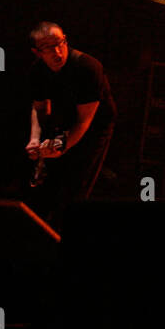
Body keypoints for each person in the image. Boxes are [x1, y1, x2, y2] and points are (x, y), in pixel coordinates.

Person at [26, 22, 115, 227]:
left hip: (94, 125)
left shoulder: (88, 68)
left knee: (76, 185)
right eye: (48, 48)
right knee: (46, 185)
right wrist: (34, 140)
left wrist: (62, 147)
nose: (57, 52)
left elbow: (84, 121)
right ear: (37, 52)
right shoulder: (37, 71)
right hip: (63, 118)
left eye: (60, 43)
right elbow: (39, 109)